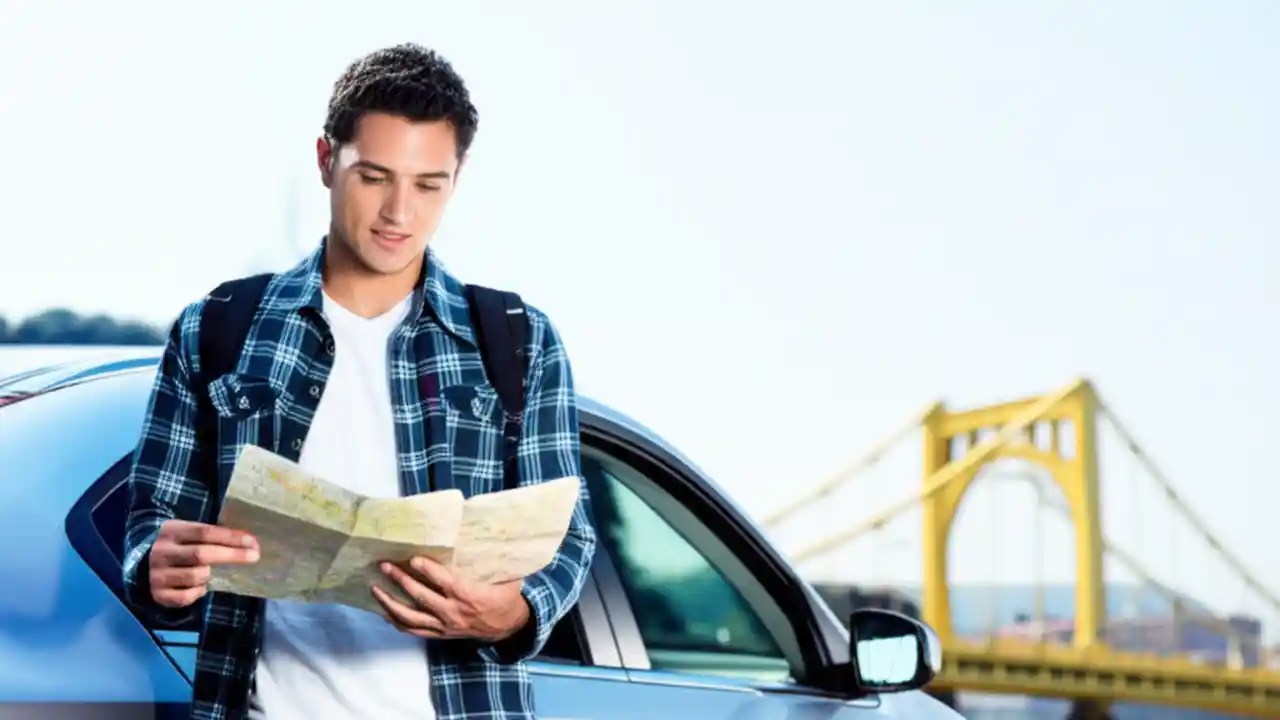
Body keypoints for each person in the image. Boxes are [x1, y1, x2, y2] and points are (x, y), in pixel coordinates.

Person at [122, 43, 597, 720]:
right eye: (375, 177)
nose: (399, 213)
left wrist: (512, 612)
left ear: (456, 179)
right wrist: (157, 569)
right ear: (327, 161)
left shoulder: (520, 342)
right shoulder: (219, 330)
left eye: (428, 184)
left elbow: (569, 541)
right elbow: (151, 527)